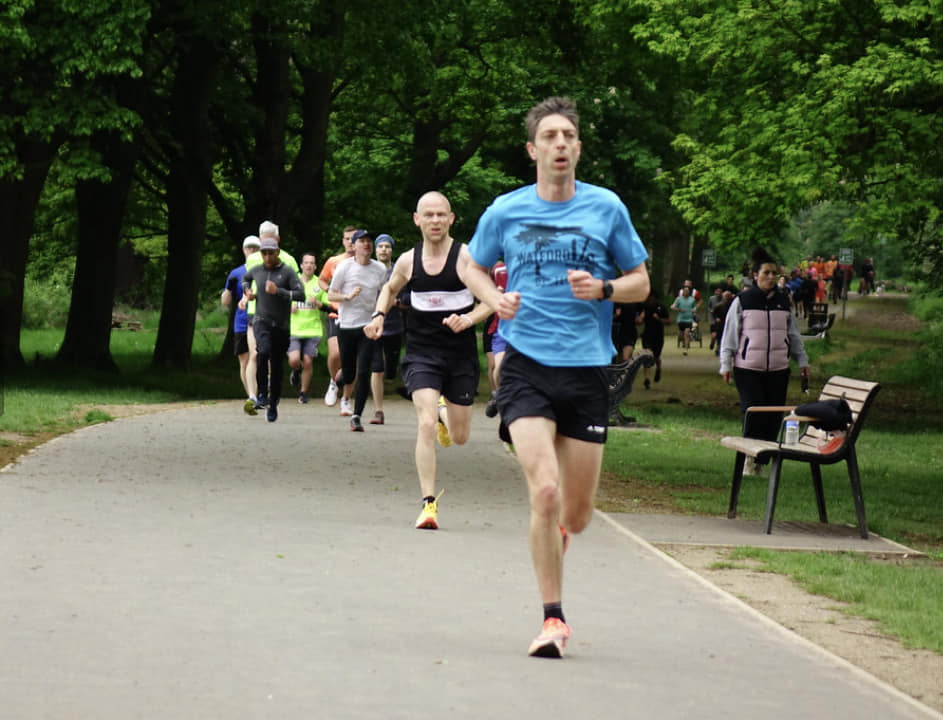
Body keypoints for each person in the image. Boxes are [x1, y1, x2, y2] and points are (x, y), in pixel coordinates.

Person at [460, 96, 650, 659]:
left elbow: (640, 280)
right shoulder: (506, 209)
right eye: (550, 136)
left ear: (579, 148)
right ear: (533, 149)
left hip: (587, 371)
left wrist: (606, 289)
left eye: (569, 135)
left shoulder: (606, 208)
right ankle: (553, 619)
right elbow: (470, 263)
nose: (560, 143)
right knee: (543, 492)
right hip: (524, 367)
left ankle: (558, 535)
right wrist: (494, 297)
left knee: (577, 514)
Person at [364, 191, 492, 529]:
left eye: (441, 215)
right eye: (428, 215)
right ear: (417, 220)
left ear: (451, 219)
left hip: (460, 355)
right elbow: (390, 289)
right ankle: (428, 505)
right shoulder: (408, 260)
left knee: (461, 436)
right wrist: (378, 315)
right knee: (423, 424)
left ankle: (443, 413)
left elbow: (491, 300)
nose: (435, 221)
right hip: (422, 353)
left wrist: (469, 320)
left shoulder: (466, 258)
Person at [719, 247, 810, 474]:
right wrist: (725, 363)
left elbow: (793, 334)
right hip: (748, 368)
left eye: (774, 273)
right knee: (753, 411)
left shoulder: (783, 301)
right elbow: (730, 333)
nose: (771, 277)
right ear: (756, 275)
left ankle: (762, 461)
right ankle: (749, 459)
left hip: (778, 369)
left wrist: (803, 360)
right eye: (766, 273)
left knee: (773, 417)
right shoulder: (743, 300)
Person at [328, 230, 388, 431]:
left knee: (363, 372)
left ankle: (356, 416)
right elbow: (331, 294)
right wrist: (346, 297)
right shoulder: (345, 267)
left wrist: (380, 314)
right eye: (362, 241)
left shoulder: (379, 269)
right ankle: (338, 379)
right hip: (346, 326)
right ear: (354, 246)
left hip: (367, 327)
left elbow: (384, 293)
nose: (367, 244)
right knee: (349, 374)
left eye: (369, 241)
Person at [242, 236, 305, 422]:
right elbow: (245, 279)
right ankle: (261, 393)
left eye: (270, 253)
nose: (267, 257)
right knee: (262, 352)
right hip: (261, 321)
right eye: (264, 253)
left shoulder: (287, 272)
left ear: (277, 252)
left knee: (277, 365)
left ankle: (273, 403)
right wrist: (247, 291)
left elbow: (301, 294)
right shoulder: (257, 270)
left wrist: (278, 291)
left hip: (281, 325)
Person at [368, 233, 405, 425]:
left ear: (392, 250)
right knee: (377, 368)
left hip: (395, 326)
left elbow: (408, 299)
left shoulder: (399, 270)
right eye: (380, 246)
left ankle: (393, 372)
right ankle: (378, 410)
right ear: (375, 249)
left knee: (390, 369)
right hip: (374, 325)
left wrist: (400, 303)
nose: (383, 250)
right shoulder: (369, 269)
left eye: (387, 247)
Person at [318, 226, 357, 406]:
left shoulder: (364, 262)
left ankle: (346, 398)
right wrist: (329, 291)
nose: (350, 242)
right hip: (336, 312)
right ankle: (334, 382)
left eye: (353, 238)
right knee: (335, 355)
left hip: (356, 315)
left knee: (352, 358)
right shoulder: (334, 261)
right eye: (347, 238)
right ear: (343, 241)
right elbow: (322, 279)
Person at [222, 235, 260, 407]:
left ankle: (260, 393)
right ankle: (251, 395)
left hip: (261, 319)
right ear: (244, 250)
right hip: (241, 321)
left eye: (255, 248)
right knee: (244, 359)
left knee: (258, 356)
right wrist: (228, 289)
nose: (251, 251)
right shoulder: (236, 273)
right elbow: (225, 301)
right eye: (248, 248)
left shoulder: (264, 271)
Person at [288, 252, 332, 404]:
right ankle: (295, 370)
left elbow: (328, 306)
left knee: (307, 360)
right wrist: (290, 307)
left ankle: (303, 392)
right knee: (294, 360)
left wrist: (318, 304)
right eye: (306, 262)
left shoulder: (319, 284)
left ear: (315, 266)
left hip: (313, 329)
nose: (308, 265)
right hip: (294, 329)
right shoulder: (293, 281)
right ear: (301, 265)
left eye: (311, 263)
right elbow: (280, 300)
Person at [638, 290, 670, 388]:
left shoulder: (661, 307)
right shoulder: (645, 307)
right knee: (646, 356)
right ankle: (646, 379)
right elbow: (640, 320)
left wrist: (659, 319)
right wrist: (640, 319)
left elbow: (668, 321)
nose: (649, 299)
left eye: (650, 297)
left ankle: (658, 369)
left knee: (656, 356)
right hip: (647, 335)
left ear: (655, 297)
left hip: (658, 335)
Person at [671, 285, 697, 354]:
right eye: (685, 291)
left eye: (687, 291)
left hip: (689, 319)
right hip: (681, 319)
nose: (686, 292)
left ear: (689, 292)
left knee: (687, 333)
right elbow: (672, 307)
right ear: (683, 292)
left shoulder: (692, 299)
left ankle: (685, 349)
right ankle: (684, 343)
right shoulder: (679, 299)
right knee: (681, 334)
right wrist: (679, 309)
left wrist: (694, 311)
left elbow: (694, 307)